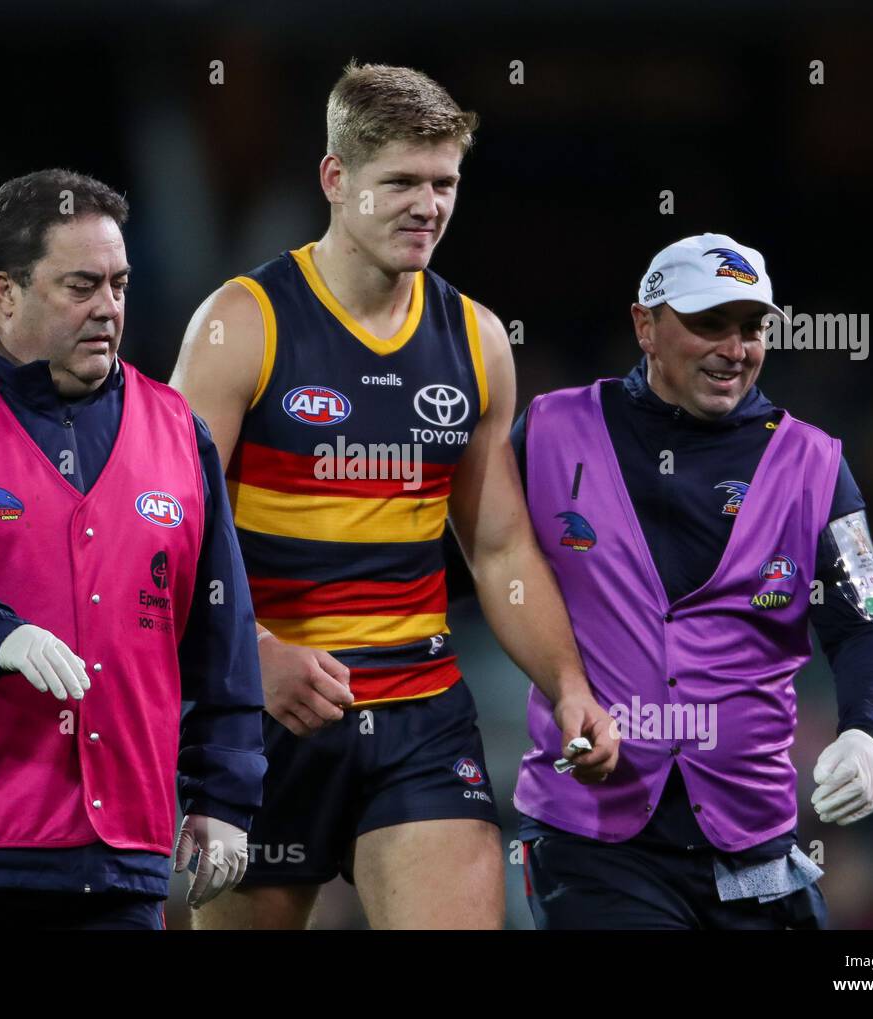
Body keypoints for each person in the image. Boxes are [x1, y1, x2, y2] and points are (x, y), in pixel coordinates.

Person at [170, 61, 616, 929]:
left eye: (445, 182)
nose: (429, 205)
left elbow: (499, 547)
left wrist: (568, 683)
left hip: (419, 714)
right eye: (402, 182)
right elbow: (162, 529)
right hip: (265, 718)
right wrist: (249, 653)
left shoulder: (476, 340)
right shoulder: (242, 323)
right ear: (336, 179)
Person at [0, 169, 266, 930]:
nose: (109, 308)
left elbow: (218, 633)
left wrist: (225, 797)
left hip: (118, 869)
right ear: (4, 293)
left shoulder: (178, 433)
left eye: (120, 285)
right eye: (81, 285)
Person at [513, 233, 873, 929]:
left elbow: (869, 621)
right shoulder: (550, 431)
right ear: (645, 325)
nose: (735, 348)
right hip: (593, 847)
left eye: (752, 327)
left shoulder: (815, 465)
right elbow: (464, 566)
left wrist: (868, 734)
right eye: (708, 324)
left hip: (755, 851)